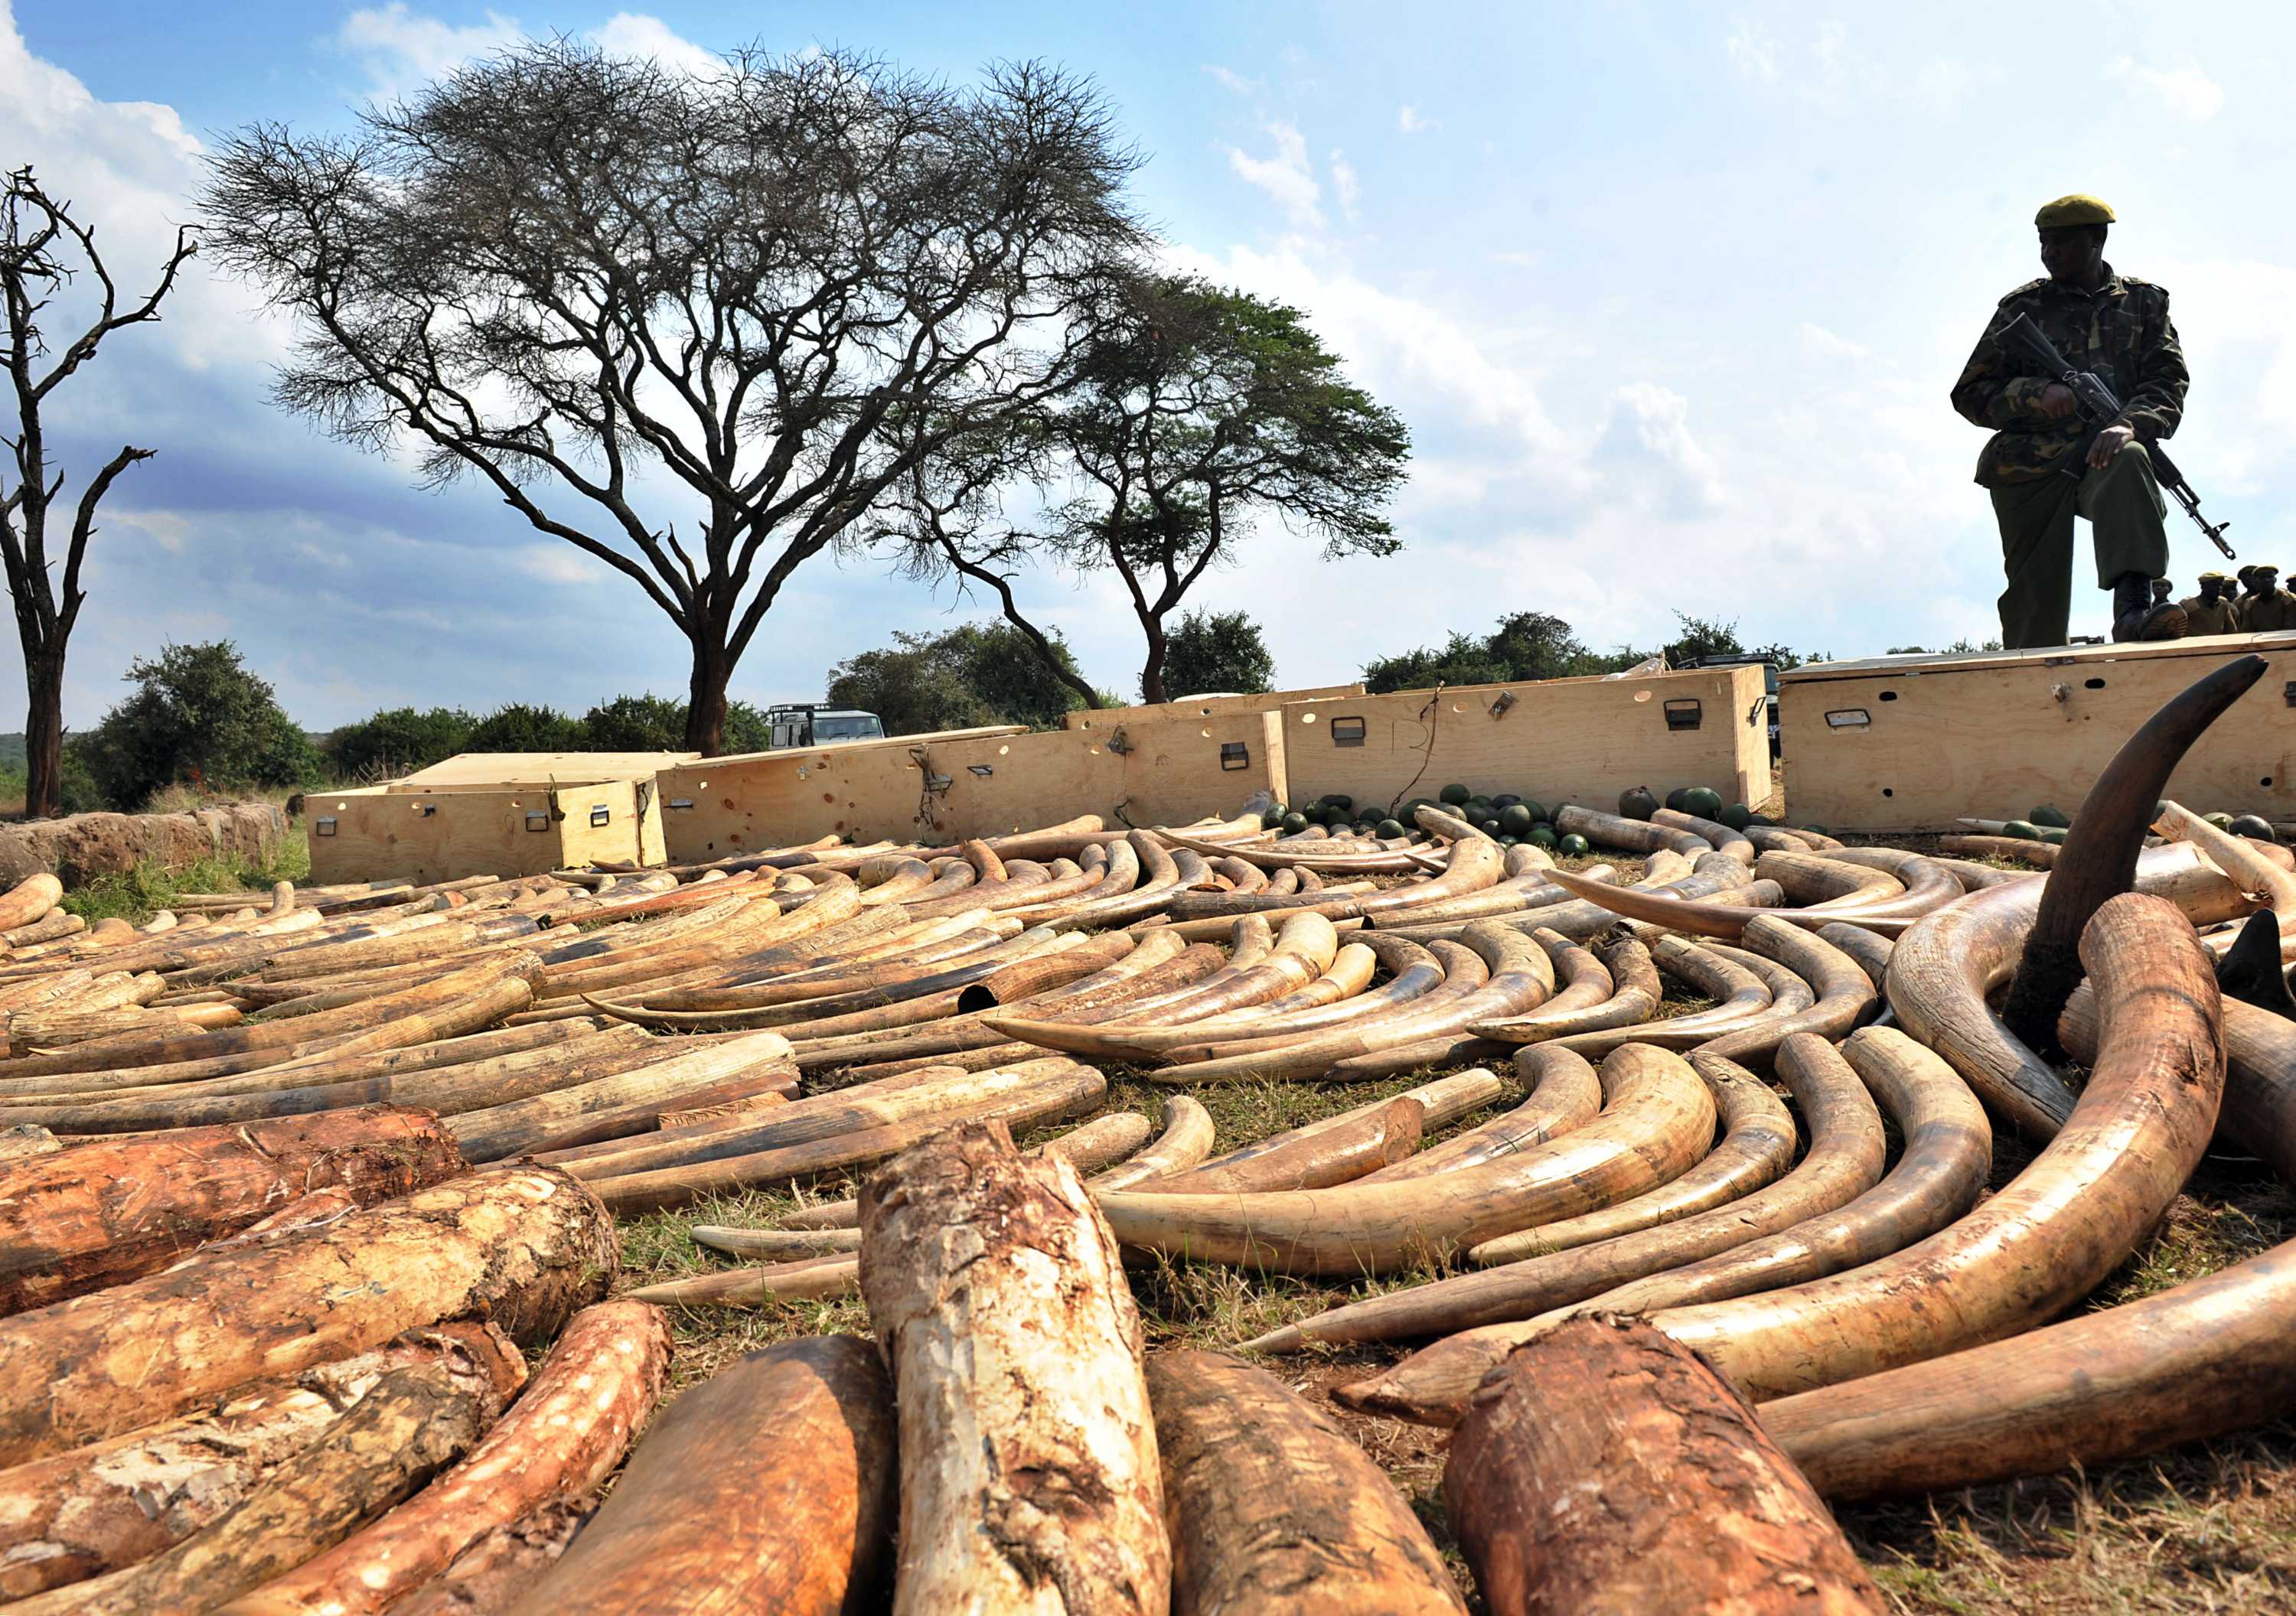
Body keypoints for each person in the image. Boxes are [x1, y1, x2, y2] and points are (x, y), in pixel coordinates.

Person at [1952, 194, 2189, 647]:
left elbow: (2167, 378)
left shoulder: (2144, 303)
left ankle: (2133, 611)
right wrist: (2037, 394)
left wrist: (2130, 423)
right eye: (2044, 243)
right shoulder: (2022, 310)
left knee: (2131, 458)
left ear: (2097, 239)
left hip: (2100, 454)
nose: (2049, 253)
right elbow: (1970, 394)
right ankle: (2030, 694)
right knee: (2035, 608)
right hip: (2028, 465)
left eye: (2061, 242)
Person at [2237, 565, 2296, 633]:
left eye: (2270, 577)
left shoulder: (2288, 599)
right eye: (2262, 578)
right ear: (2256, 581)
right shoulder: (2250, 603)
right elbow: (2247, 629)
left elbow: (2292, 628)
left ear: (2275, 580)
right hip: (2258, 641)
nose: (2266, 580)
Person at [2179, 571, 2239, 635]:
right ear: (2203, 587)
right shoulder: (2190, 604)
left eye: (2220, 584)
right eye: (2214, 585)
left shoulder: (2223, 604)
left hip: (2218, 643)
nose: (2219, 588)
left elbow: (2231, 631)